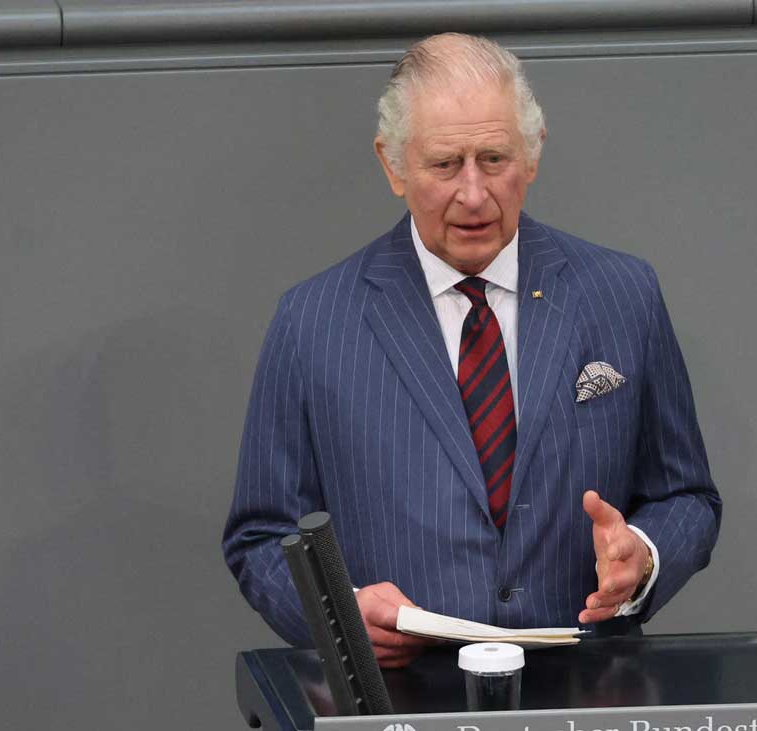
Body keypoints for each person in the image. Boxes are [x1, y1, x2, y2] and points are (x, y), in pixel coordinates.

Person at [222, 33, 720, 668]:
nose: (475, 193)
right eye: (444, 164)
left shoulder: (623, 294)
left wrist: (645, 556)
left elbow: (688, 499)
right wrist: (335, 611)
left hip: (587, 688)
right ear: (392, 165)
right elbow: (261, 537)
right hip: (397, 699)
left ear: (533, 155)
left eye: (494, 158)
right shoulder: (313, 321)